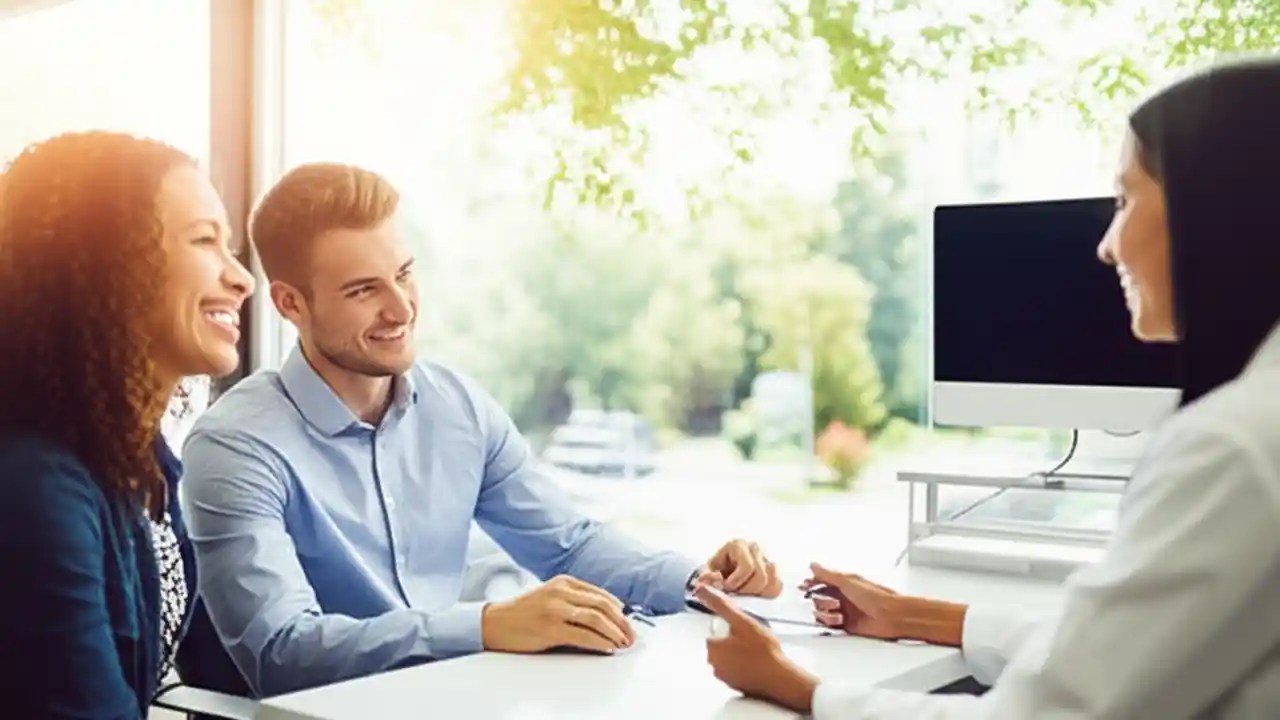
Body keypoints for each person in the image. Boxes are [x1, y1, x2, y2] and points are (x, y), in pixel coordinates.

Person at [696, 58, 1280, 718]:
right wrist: (913, 613)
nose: (1108, 247)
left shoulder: (1236, 450)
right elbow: (1124, 647)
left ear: (1213, 210)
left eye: (1124, 200)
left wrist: (796, 686)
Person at [180, 161, 785, 697]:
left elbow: (568, 543)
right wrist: (488, 624)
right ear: (290, 304)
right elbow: (280, 652)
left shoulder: (458, 409)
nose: (401, 308)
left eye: (405, 274)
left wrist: (700, 584)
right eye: (365, 290)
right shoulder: (236, 444)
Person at [0, 131, 255, 718]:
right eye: (204, 241)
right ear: (109, 266)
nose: (242, 279)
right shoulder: (38, 484)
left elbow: (225, 678)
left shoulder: (145, 460)